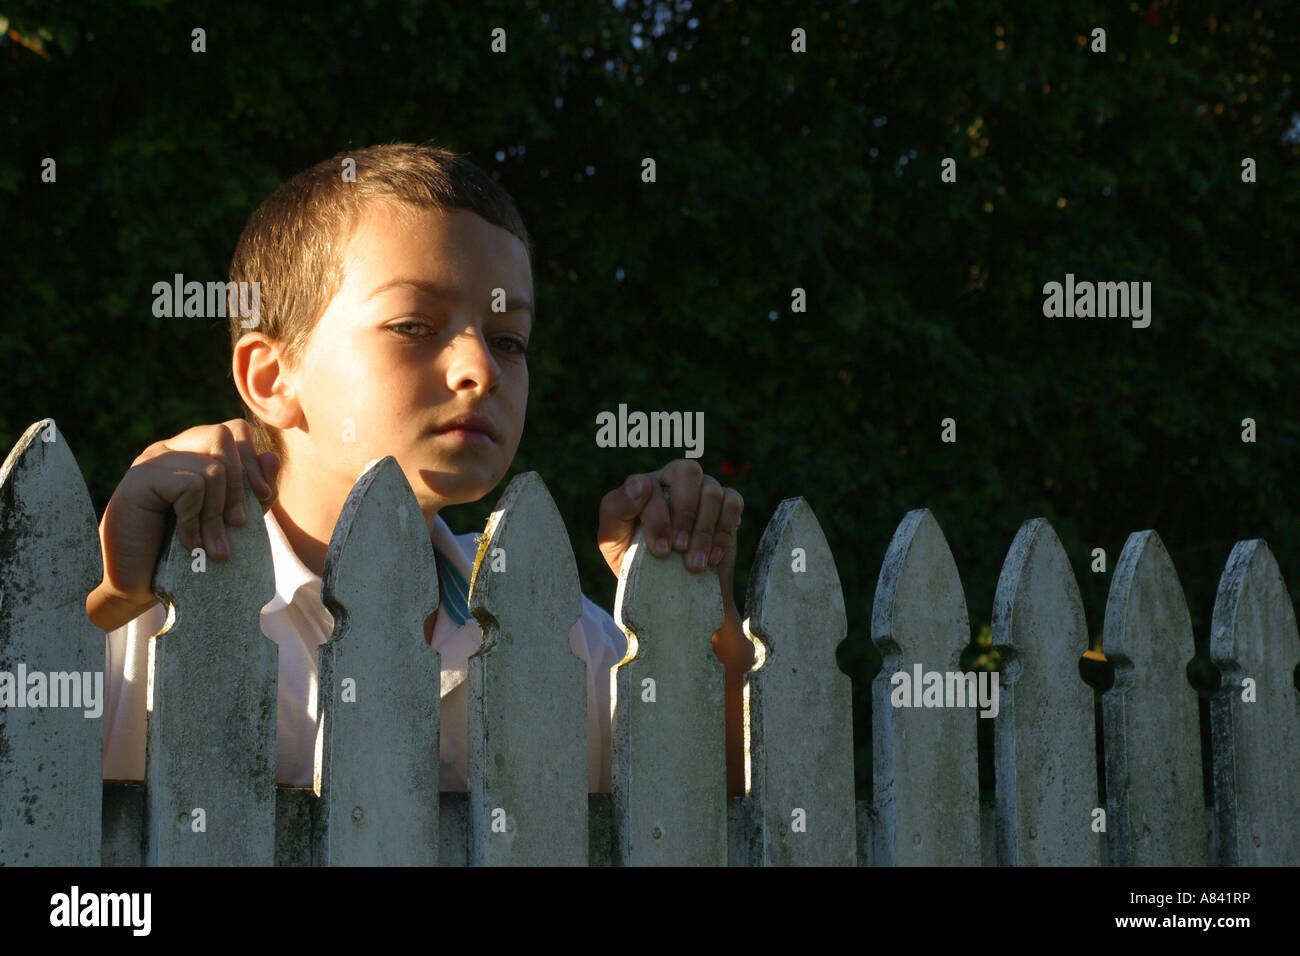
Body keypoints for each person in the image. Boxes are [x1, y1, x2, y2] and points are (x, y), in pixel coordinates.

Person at [86, 142, 753, 797]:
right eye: (414, 325)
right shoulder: (140, 624)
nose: (481, 370)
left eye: (508, 341)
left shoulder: (564, 640)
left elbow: (712, 826)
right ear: (272, 377)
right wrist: (108, 599)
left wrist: (699, 622)